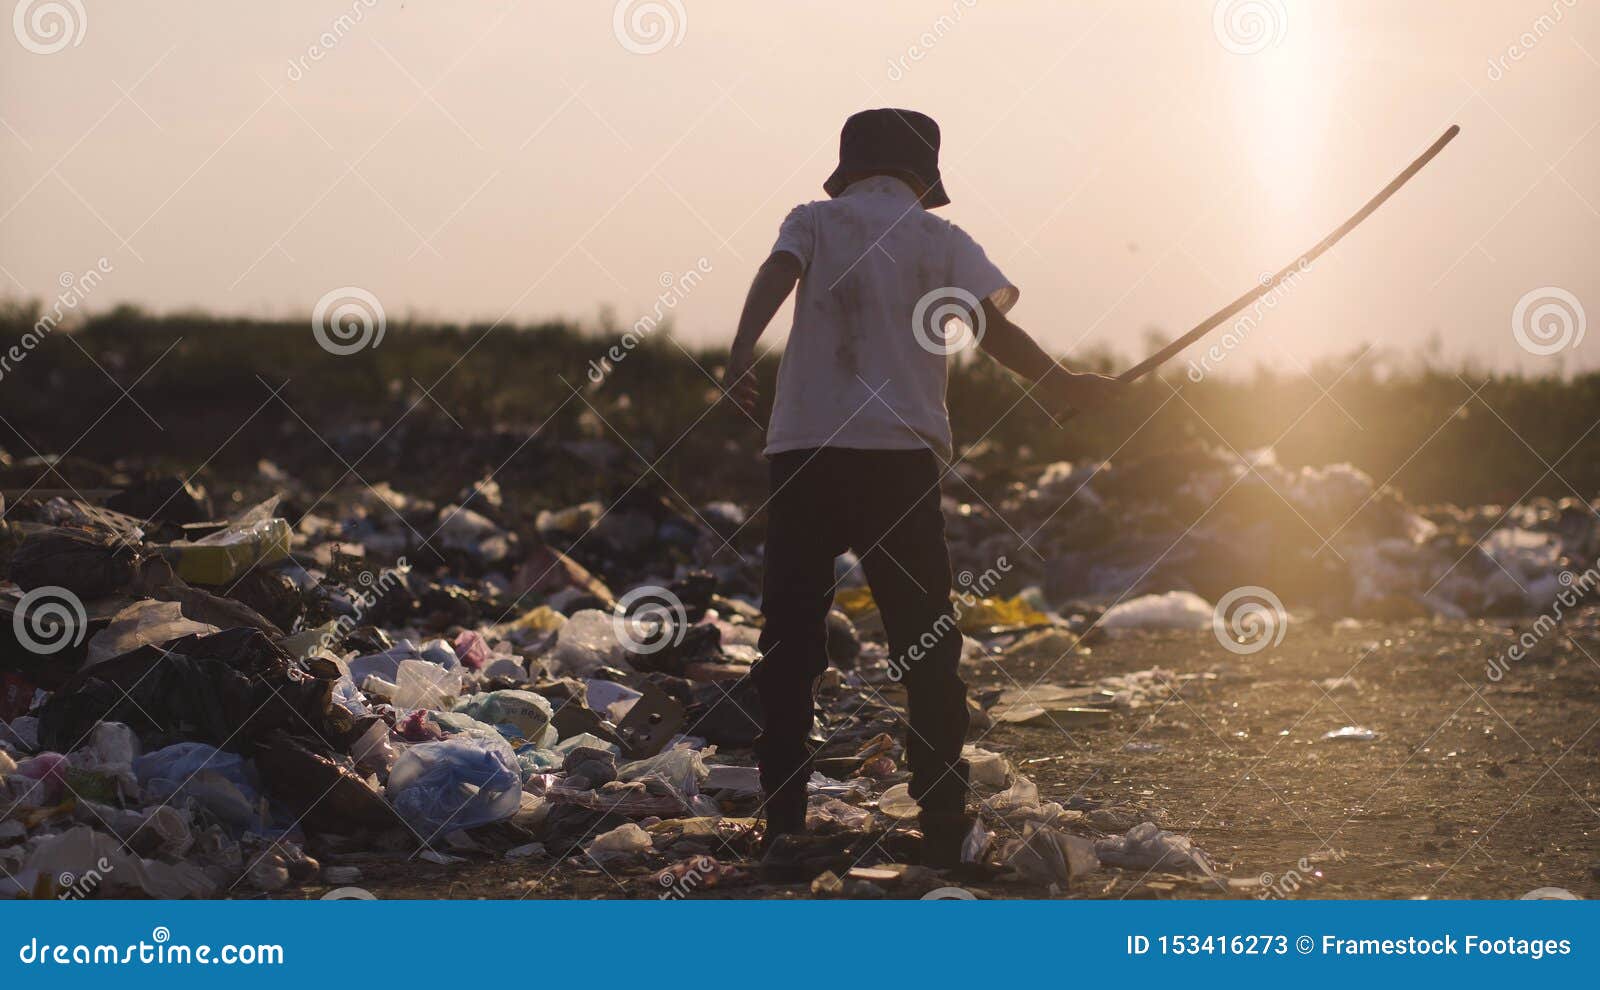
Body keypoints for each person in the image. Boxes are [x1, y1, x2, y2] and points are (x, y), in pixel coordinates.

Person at [723, 108, 1123, 867]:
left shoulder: (812, 220)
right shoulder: (942, 240)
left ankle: (783, 822)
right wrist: (1062, 383)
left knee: (790, 641)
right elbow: (992, 331)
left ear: (848, 169)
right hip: (898, 462)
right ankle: (941, 819)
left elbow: (776, 272)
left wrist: (743, 350)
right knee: (926, 644)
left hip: (805, 454)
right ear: (924, 176)